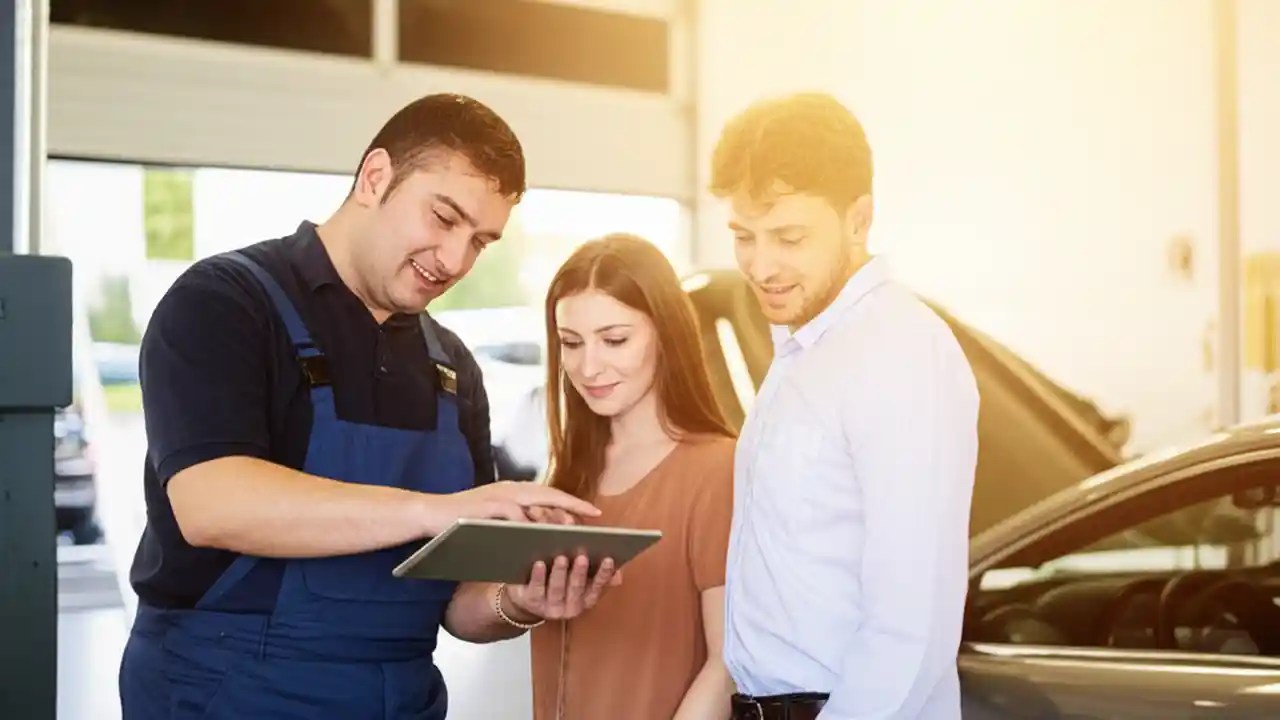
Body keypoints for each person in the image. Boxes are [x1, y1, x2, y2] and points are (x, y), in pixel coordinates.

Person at [118, 93, 619, 720]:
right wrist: (438, 512)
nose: (455, 260)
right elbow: (212, 505)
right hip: (229, 689)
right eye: (443, 218)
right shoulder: (225, 302)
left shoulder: (452, 368)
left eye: (480, 242)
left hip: (399, 697)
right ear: (376, 177)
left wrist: (518, 602)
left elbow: (459, 604)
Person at [711, 93, 980, 719]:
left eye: (789, 236)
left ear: (859, 220)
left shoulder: (897, 351)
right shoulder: (808, 347)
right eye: (743, 237)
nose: (760, 264)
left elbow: (909, 626)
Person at [528, 234, 738, 719]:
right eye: (571, 344)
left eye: (615, 340)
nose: (588, 366)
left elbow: (725, 665)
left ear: (665, 334)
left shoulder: (717, 470)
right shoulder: (563, 480)